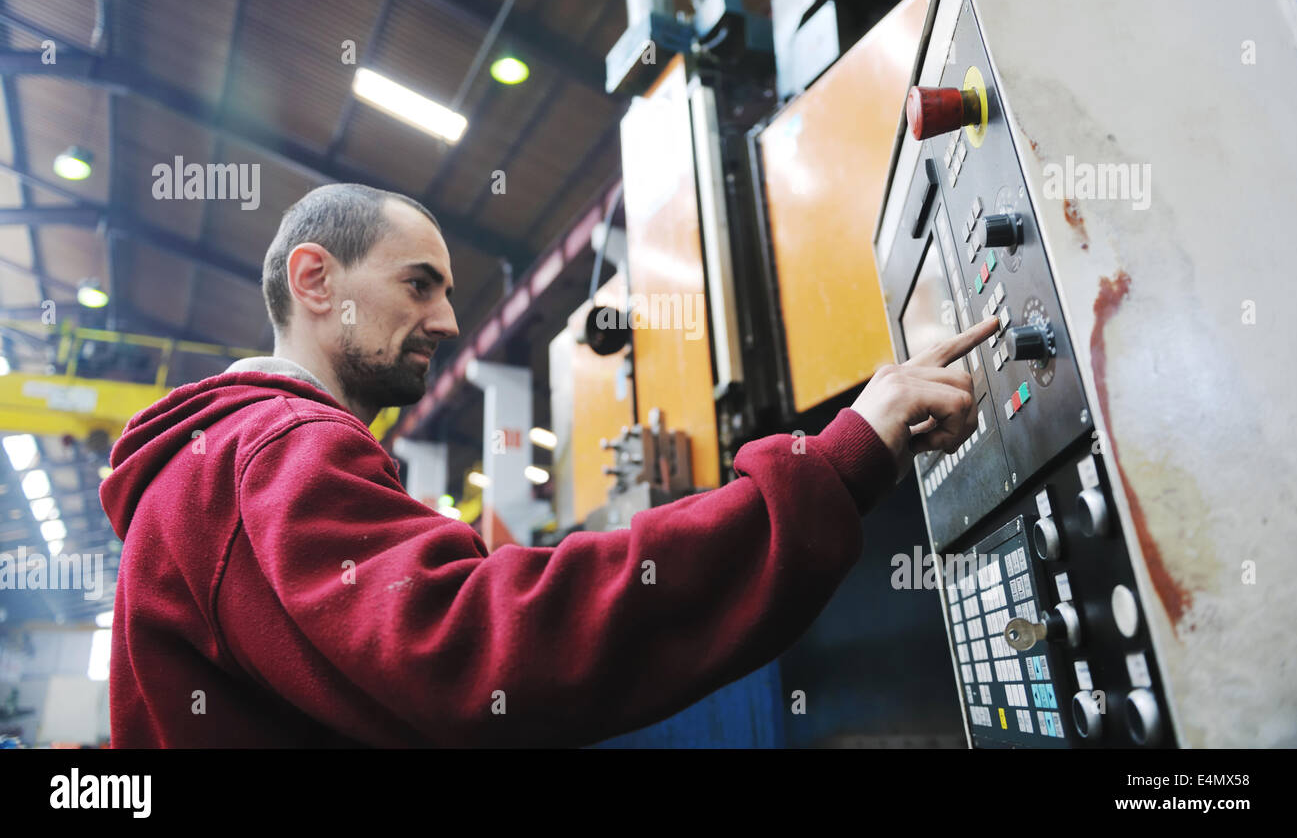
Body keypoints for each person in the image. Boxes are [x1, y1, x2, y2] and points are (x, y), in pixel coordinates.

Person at [100, 182, 996, 747]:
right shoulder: (276, 450)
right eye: (421, 284)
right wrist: (834, 464)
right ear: (314, 280)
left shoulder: (209, 468)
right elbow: (483, 647)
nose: (449, 322)